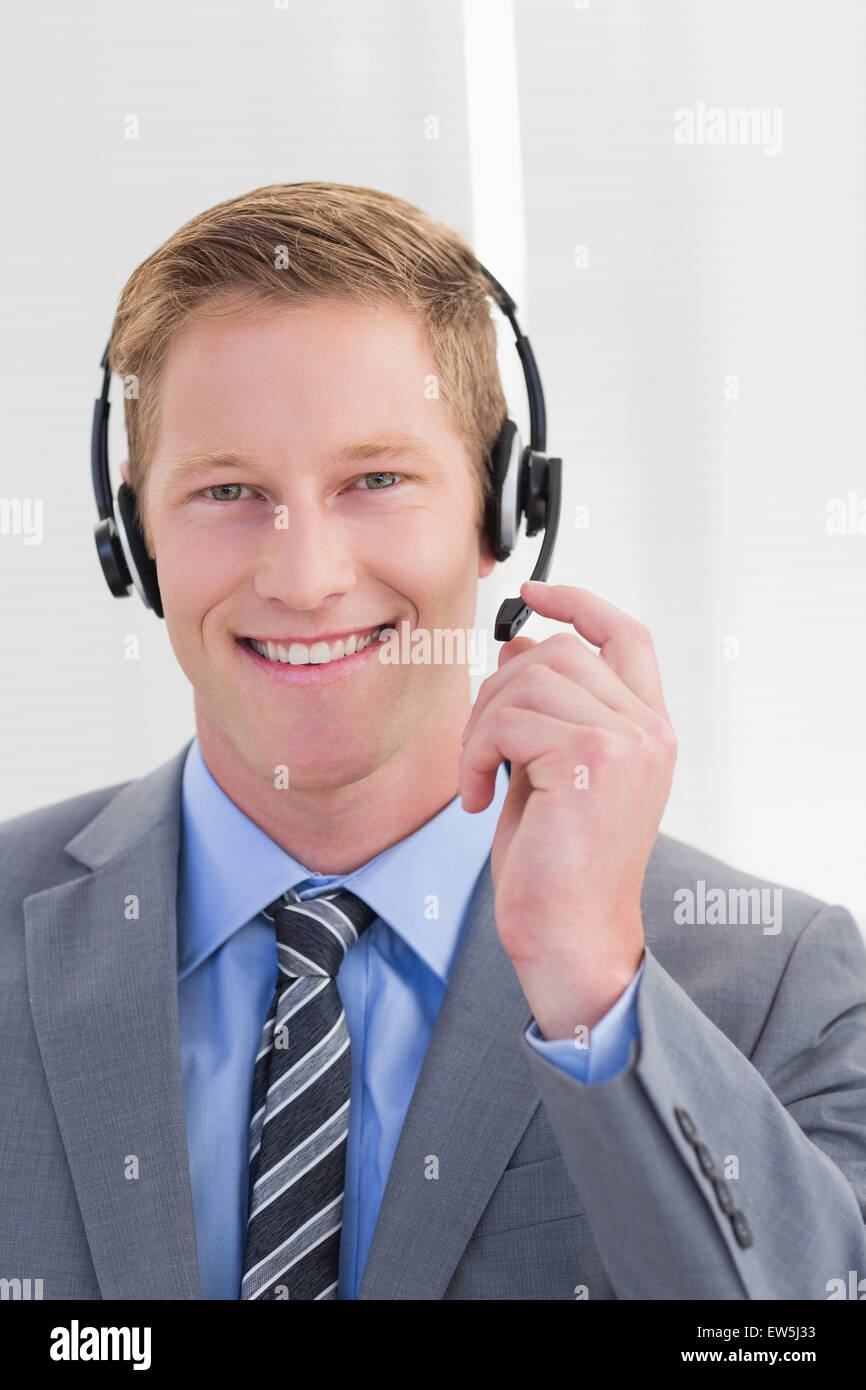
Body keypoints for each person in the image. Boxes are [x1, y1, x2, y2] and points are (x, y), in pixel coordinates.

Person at [2, 183, 864, 1301]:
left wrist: (595, 986)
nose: (305, 576)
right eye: (227, 489)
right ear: (135, 538)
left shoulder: (772, 984)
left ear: (501, 511)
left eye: (375, 481)